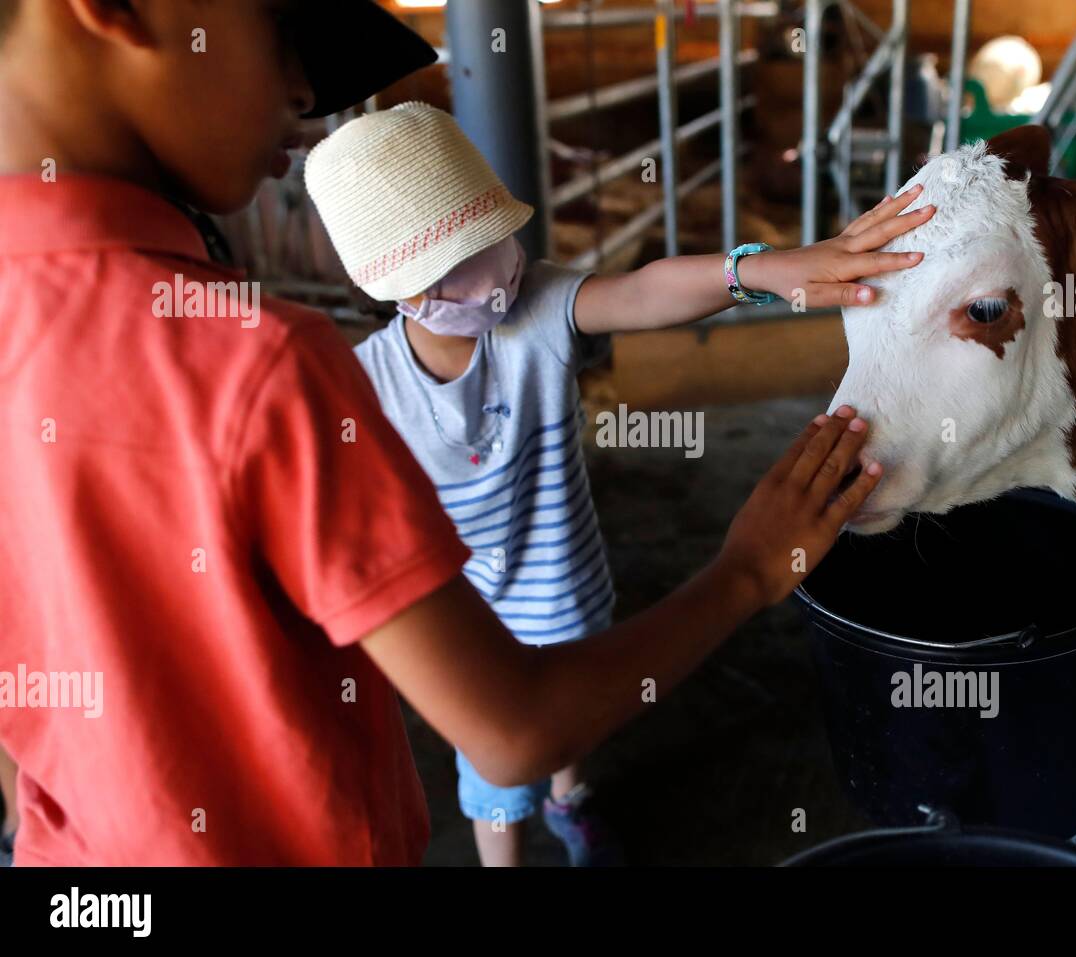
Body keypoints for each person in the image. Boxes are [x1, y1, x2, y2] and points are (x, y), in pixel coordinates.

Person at [0, 0, 903, 865]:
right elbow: (509, 728)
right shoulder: (275, 367)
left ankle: (572, 802)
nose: (303, 91)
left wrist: (761, 269)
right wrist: (747, 568)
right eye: (281, 20)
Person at [304, 104, 931, 866]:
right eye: (457, 267)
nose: (492, 273)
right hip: (471, 628)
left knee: (575, 720)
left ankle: (571, 805)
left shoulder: (536, 304)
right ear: (405, 295)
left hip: (567, 589)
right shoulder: (365, 388)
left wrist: (757, 270)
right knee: (496, 784)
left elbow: (643, 292)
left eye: (492, 242)